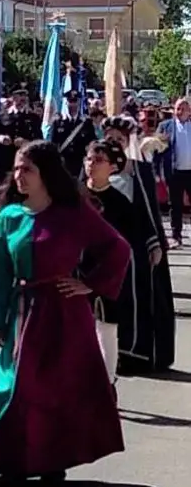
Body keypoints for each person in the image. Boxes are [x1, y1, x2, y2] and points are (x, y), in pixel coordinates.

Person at [0, 141, 130, 487]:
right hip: (23, 312)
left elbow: (117, 248)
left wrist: (90, 285)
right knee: (12, 387)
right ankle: (10, 462)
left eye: (26, 169)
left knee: (57, 390)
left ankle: (51, 462)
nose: (19, 176)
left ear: (45, 173)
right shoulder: (9, 218)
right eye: (16, 169)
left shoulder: (74, 212)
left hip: (64, 314)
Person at [101, 116, 176, 374]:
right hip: (99, 247)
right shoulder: (94, 166)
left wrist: (154, 244)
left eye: (119, 140)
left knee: (133, 299)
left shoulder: (139, 171)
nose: (114, 144)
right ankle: (103, 355)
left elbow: (148, 212)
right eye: (110, 139)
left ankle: (132, 352)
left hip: (131, 247)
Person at [83, 139, 158, 384]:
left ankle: (107, 381)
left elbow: (131, 237)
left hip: (107, 274)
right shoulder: (74, 197)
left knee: (107, 328)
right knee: (77, 330)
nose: (92, 165)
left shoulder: (119, 202)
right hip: (75, 271)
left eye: (99, 161)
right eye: (90, 160)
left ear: (112, 168)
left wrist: (152, 245)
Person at [157, 98, 191, 247]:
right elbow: (157, 152)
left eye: (183, 109)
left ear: (189, 111)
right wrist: (157, 172)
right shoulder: (165, 127)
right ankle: (176, 235)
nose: (180, 112)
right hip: (175, 172)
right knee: (175, 205)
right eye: (178, 109)